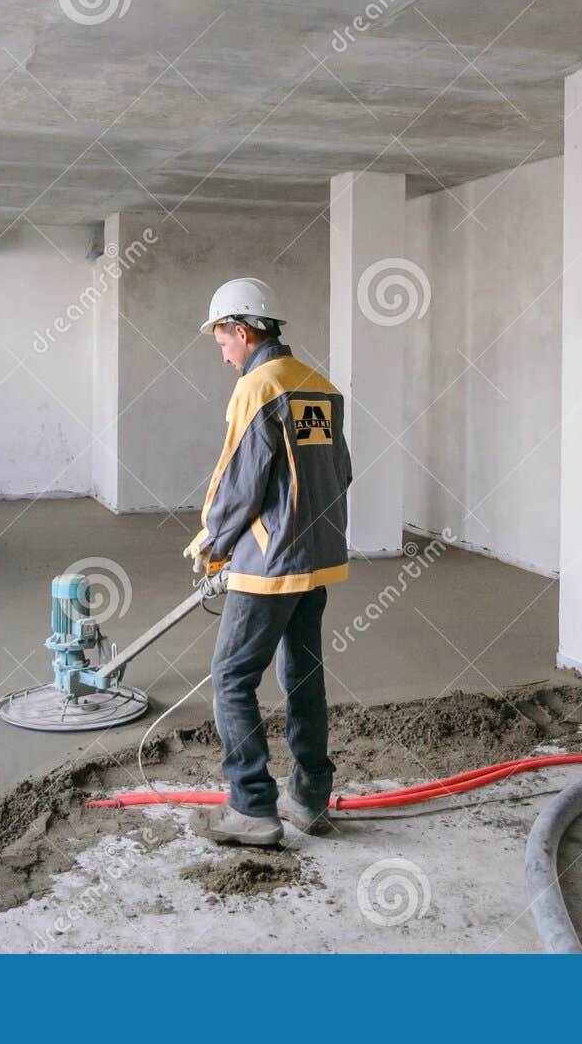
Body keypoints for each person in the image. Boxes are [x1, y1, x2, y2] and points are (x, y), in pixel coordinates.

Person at [183, 277, 352, 846]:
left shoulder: (259, 386)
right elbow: (339, 472)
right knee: (303, 676)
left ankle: (252, 806)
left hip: (272, 564)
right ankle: (309, 797)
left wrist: (214, 539)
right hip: (317, 558)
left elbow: (240, 480)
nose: (221, 349)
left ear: (244, 328)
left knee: (231, 678)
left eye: (222, 336)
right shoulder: (318, 386)